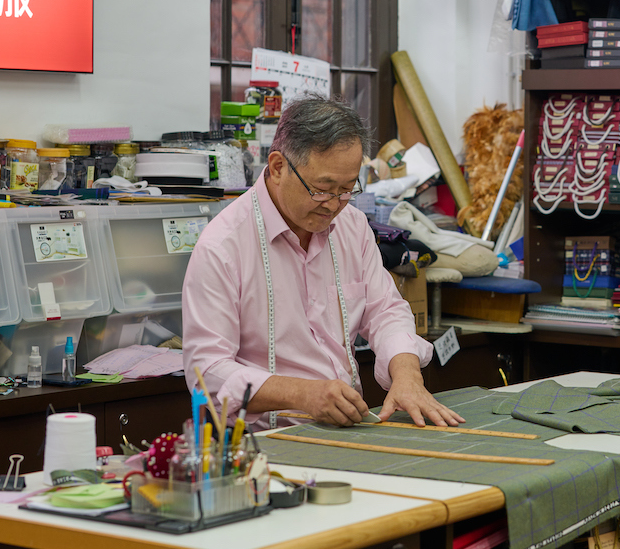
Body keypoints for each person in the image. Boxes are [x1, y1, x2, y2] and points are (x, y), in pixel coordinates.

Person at [182, 96, 463, 428]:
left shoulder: (353, 227)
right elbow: (208, 371)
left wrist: (407, 375)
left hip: (346, 430)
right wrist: (302, 394)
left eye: (347, 190)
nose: (334, 206)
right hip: (263, 446)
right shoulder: (224, 245)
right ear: (277, 167)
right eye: (322, 189)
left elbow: (385, 310)